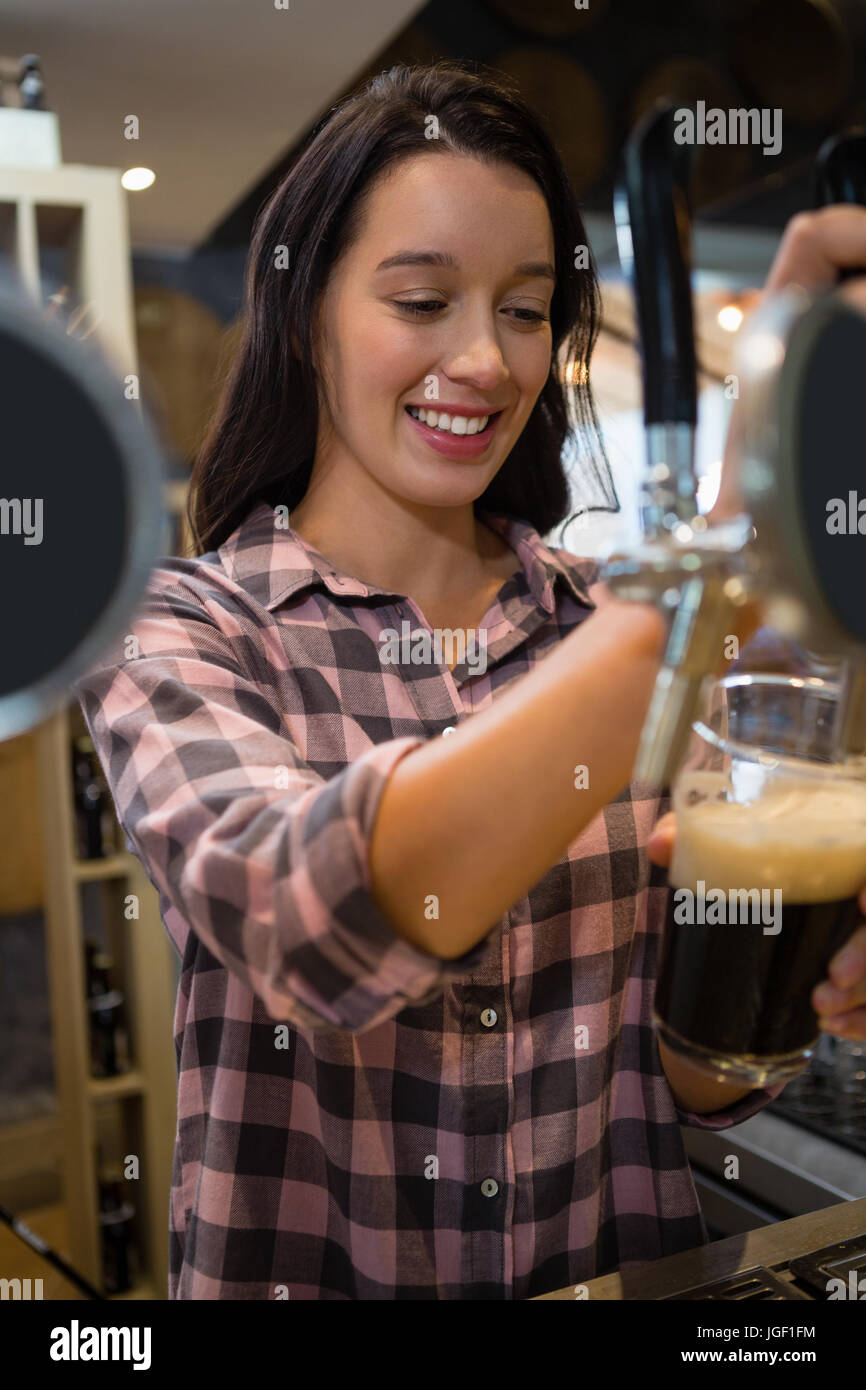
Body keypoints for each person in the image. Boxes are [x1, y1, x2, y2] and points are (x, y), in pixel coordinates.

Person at [74, 61, 866, 1300]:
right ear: (306, 314)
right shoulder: (183, 629)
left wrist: (780, 971)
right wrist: (718, 569)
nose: (486, 363)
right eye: (422, 297)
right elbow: (304, 928)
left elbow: (696, 1084)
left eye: (521, 309)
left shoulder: (597, 627)